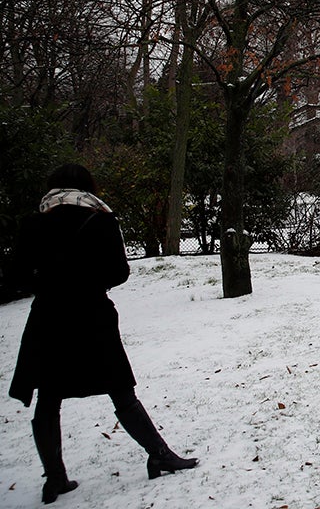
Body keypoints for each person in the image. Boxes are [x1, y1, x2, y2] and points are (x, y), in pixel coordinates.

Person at [8, 164, 197, 504]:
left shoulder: (34, 222)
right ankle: (159, 454)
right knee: (120, 391)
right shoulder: (101, 220)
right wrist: (90, 283)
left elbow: (18, 277)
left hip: (48, 319)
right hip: (91, 315)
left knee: (49, 398)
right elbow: (120, 272)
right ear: (87, 187)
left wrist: (49, 284)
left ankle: (55, 479)